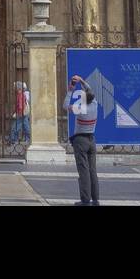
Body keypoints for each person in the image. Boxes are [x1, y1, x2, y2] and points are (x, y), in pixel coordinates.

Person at [64, 74, 99, 206]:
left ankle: (85, 200)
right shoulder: (95, 105)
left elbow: (65, 105)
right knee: (92, 170)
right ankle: (95, 198)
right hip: (92, 139)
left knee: (83, 171)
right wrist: (82, 81)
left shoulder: (80, 109)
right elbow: (90, 91)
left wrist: (70, 90)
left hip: (81, 141)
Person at [9, 80, 31, 145]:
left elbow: (21, 105)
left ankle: (13, 140)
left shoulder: (20, 95)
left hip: (21, 113)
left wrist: (19, 113)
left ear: (18, 88)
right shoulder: (22, 94)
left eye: (15, 87)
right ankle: (29, 138)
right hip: (24, 113)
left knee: (15, 127)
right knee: (26, 127)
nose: (14, 89)